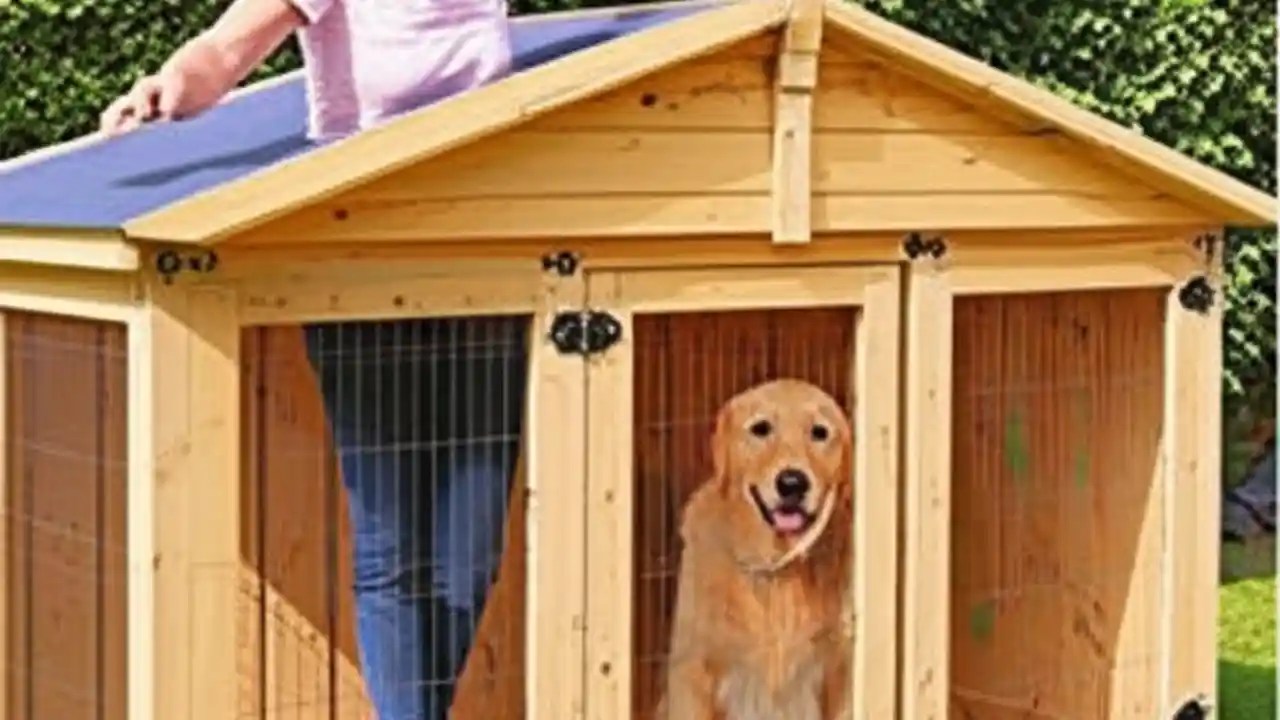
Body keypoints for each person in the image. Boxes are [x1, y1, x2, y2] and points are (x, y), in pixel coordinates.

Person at [100, 2, 527, 718]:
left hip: (484, 248)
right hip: (356, 253)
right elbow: (228, 47)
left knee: (471, 553)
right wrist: (169, 85)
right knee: (393, 548)